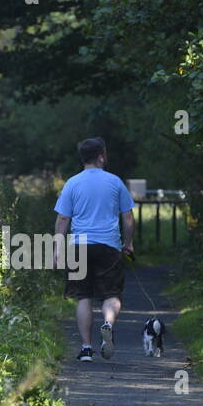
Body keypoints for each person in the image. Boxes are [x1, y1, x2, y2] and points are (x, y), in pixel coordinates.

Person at [52, 137, 135, 362]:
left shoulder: (72, 183)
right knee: (112, 295)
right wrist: (128, 244)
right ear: (101, 156)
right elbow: (127, 217)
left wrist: (58, 248)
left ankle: (86, 348)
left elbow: (62, 218)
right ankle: (108, 323)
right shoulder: (115, 182)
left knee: (84, 297)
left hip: (79, 246)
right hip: (108, 245)